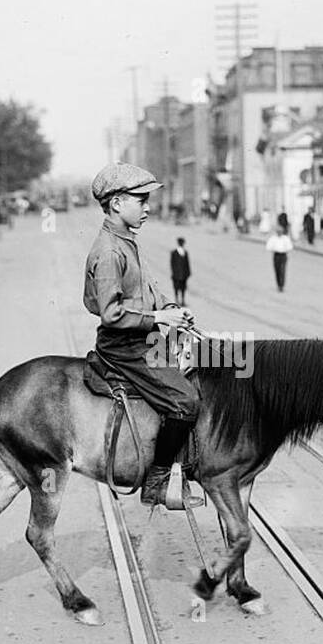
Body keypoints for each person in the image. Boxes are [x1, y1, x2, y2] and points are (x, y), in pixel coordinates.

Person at [85, 162, 200, 508]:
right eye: (141, 200)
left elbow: (144, 291)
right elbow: (112, 314)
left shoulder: (125, 241)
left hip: (142, 337)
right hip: (125, 346)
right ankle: (157, 480)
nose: (148, 207)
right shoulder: (108, 250)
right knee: (186, 402)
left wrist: (171, 309)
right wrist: (158, 318)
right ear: (117, 203)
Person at [266, 221, 294, 292]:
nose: (279, 232)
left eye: (280, 231)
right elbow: (268, 247)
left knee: (282, 270)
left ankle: (281, 285)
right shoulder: (273, 238)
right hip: (276, 255)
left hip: (283, 255)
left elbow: (290, 247)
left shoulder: (285, 238)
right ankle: (278, 284)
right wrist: (274, 248)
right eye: (278, 231)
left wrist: (284, 249)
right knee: (277, 270)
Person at [169, 235, 191, 305]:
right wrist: (174, 273)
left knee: (183, 288)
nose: (181, 244)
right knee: (176, 288)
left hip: (184, 274)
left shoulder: (185, 252)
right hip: (176, 275)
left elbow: (187, 264)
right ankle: (177, 300)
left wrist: (188, 273)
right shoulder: (174, 252)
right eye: (180, 242)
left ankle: (183, 301)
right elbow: (172, 264)